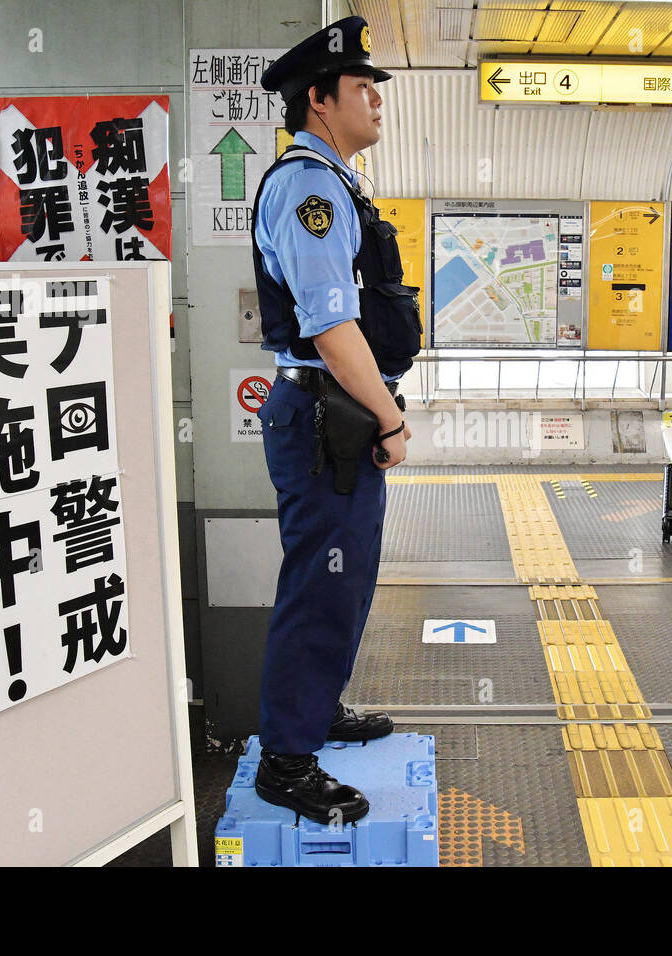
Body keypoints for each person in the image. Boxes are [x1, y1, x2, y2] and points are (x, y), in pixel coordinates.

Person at [250, 16, 421, 825]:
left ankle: (314, 714)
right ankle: (286, 760)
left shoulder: (336, 182)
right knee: (320, 586)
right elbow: (329, 325)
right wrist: (387, 418)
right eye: (362, 88)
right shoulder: (310, 189)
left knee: (343, 581)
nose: (375, 101)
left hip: (337, 416)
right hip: (327, 419)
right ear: (319, 101)